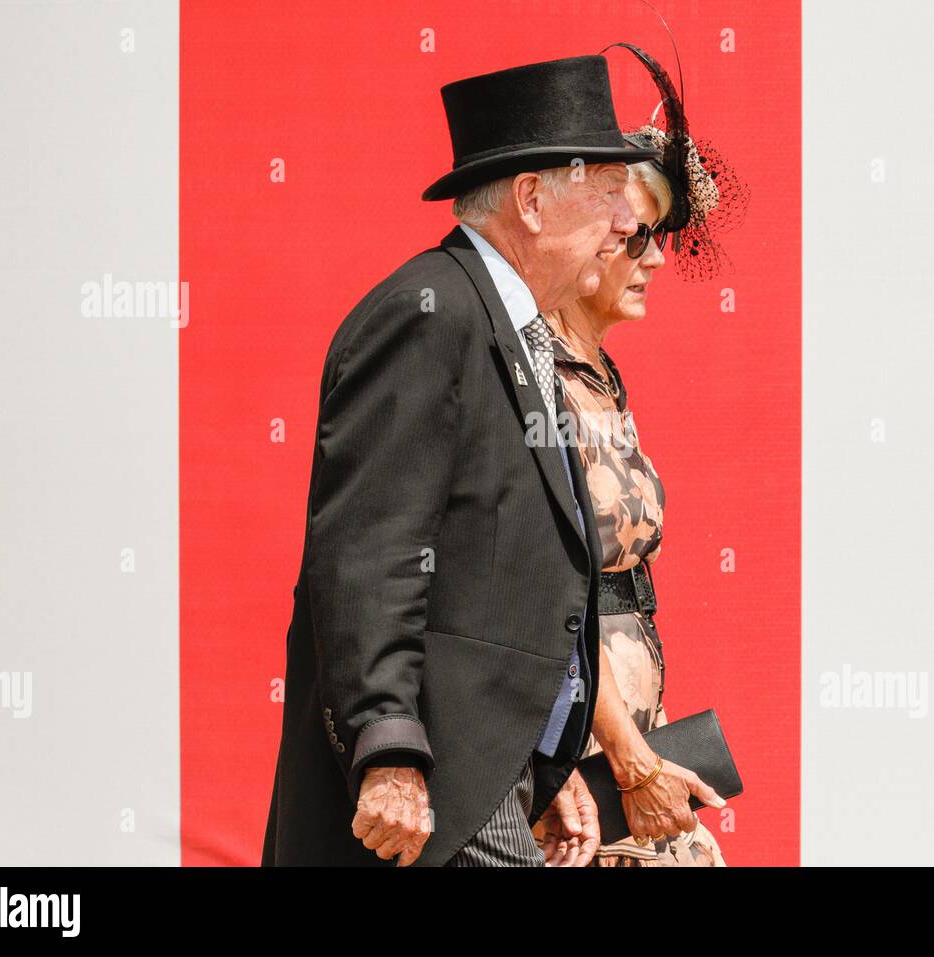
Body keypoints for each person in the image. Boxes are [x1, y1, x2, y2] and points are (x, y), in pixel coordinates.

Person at [260, 55, 659, 867]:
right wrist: (389, 750)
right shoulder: (429, 315)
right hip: (434, 789)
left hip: (480, 777)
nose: (629, 222)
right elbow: (369, 555)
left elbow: (504, 574)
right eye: (610, 191)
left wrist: (542, 762)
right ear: (532, 199)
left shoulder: (514, 328)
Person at [535, 43, 749, 867]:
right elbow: (550, 597)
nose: (657, 258)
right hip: (572, 780)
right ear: (593, 237)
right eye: (638, 237)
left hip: (629, 759)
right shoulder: (535, 383)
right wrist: (626, 759)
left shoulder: (601, 375)